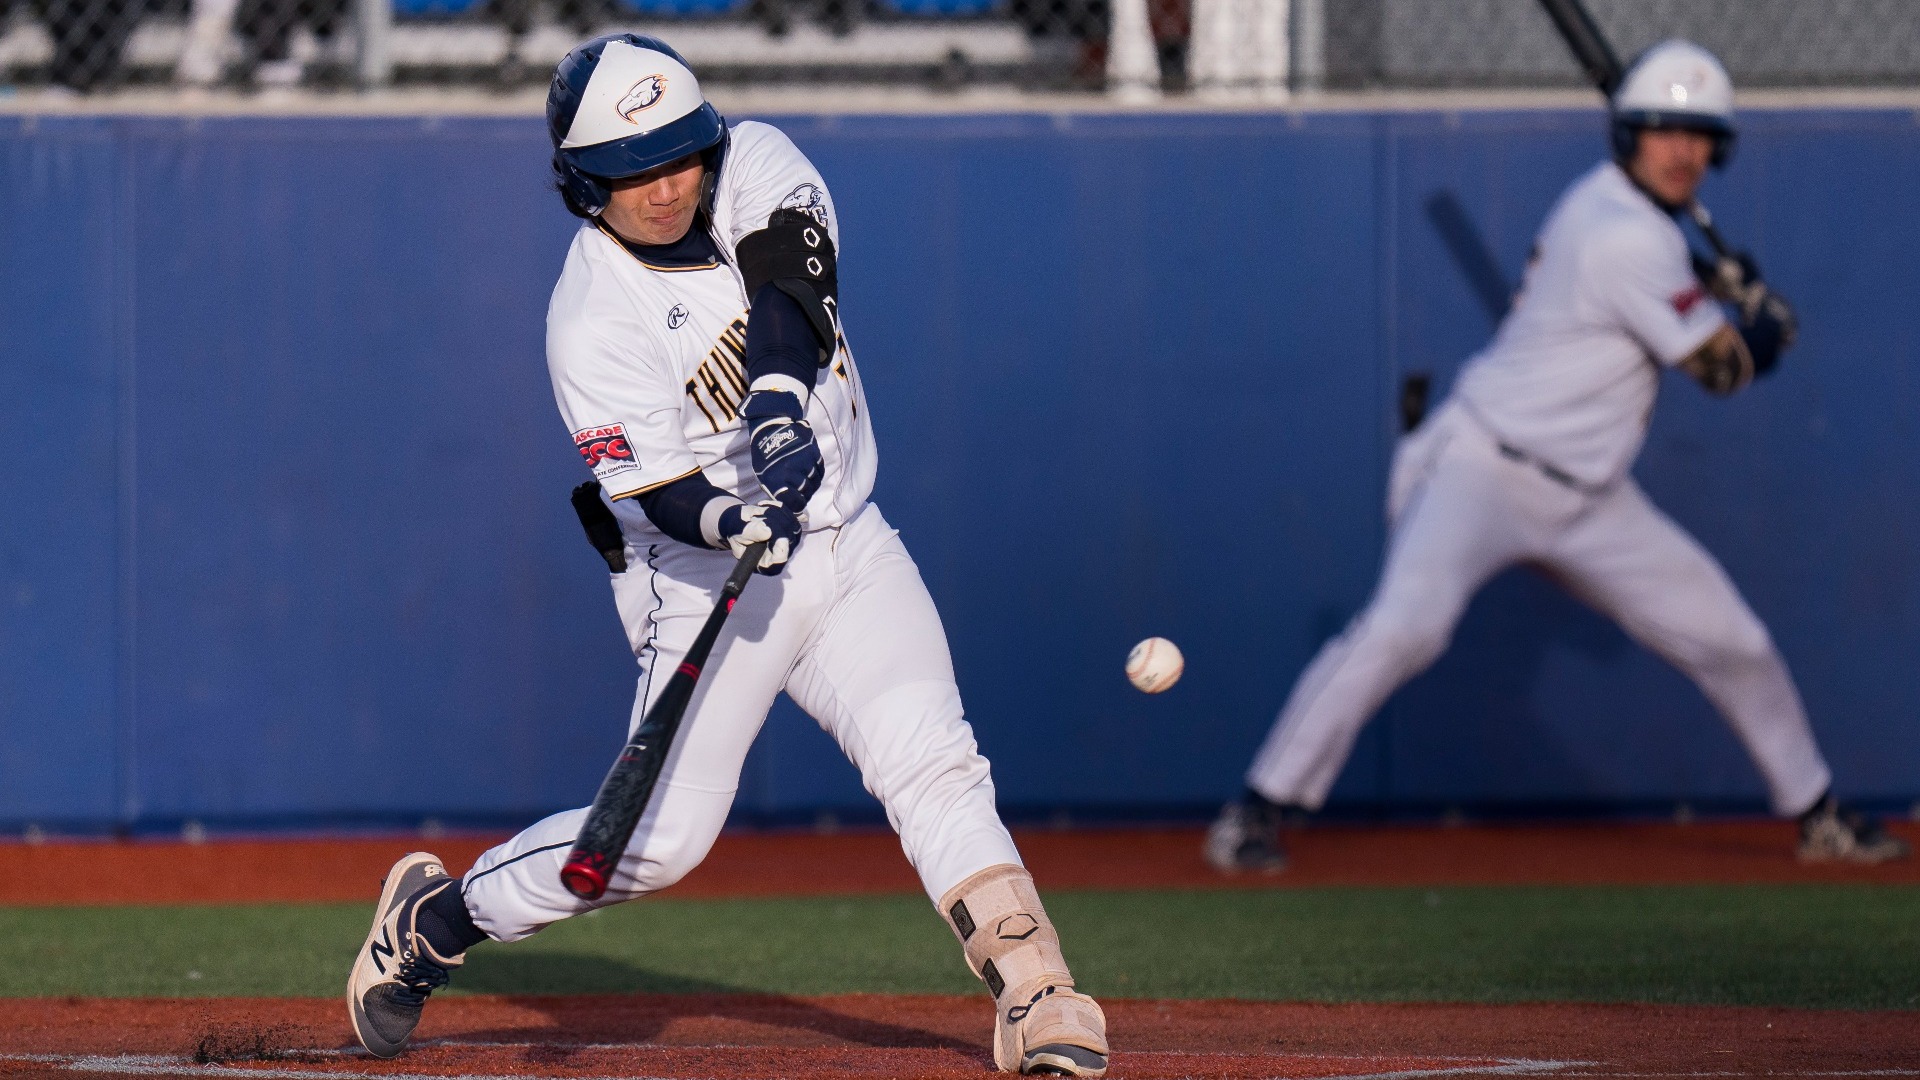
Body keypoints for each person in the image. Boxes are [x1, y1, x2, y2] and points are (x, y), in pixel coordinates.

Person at [345, 34, 1110, 1077]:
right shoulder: (589, 318)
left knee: (933, 759)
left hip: (847, 535)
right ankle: (439, 917)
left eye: (677, 156)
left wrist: (779, 402)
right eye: (631, 171)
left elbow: (792, 286)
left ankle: (1039, 993)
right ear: (583, 184)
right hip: (704, 576)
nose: (665, 187)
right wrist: (724, 521)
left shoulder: (757, 159)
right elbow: (653, 487)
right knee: (655, 846)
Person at [1205, 40, 1909, 874]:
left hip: (1592, 497)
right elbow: (1721, 370)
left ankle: (1817, 813)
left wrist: (1722, 292)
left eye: (1697, 135)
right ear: (1630, 135)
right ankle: (1256, 808)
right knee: (1405, 628)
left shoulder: (1624, 215)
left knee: (1733, 640)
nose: (1682, 151)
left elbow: (1674, 294)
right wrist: (1764, 325)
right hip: (1484, 468)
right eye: (1663, 130)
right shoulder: (1620, 232)